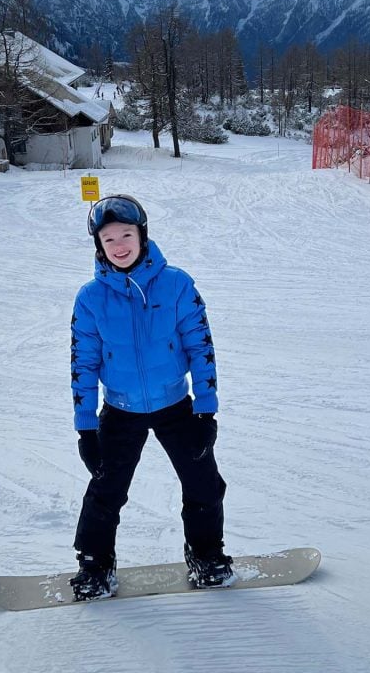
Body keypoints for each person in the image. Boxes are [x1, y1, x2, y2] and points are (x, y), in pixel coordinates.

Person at [68, 194, 231, 601]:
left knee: (204, 485)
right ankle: (95, 564)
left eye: (126, 234)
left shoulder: (177, 283)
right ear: (99, 247)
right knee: (105, 490)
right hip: (120, 411)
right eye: (109, 239)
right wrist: (87, 428)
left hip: (176, 406)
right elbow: (83, 365)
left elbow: (202, 348)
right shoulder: (90, 298)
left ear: (142, 236)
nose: (119, 245)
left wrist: (205, 411)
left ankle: (206, 555)